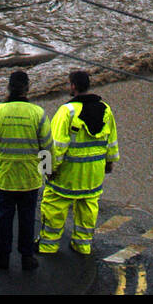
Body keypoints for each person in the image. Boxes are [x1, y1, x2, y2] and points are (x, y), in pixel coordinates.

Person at [0, 68, 53, 271]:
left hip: (5, 178)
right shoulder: (38, 114)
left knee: (4, 218)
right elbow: (47, 147)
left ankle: (3, 256)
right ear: (27, 89)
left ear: (8, 88)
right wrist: (47, 171)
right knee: (28, 219)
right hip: (29, 179)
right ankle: (26, 258)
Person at [39, 70, 119, 257]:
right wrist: (109, 163)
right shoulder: (105, 109)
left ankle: (48, 246)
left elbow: (56, 147)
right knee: (88, 209)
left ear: (73, 86)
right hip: (93, 174)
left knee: (53, 208)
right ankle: (82, 246)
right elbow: (112, 140)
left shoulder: (66, 112)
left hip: (67, 175)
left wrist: (48, 169)